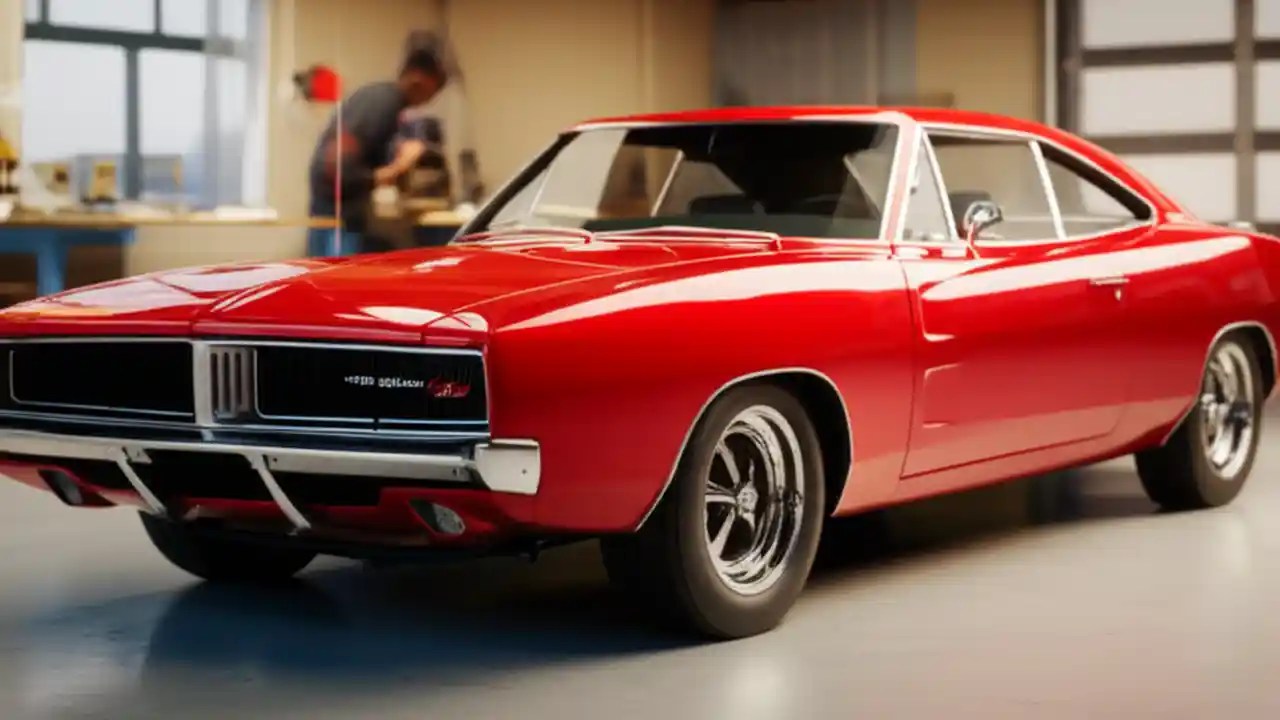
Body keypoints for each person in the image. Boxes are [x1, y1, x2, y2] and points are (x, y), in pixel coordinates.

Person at [306, 50, 446, 256]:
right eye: (431, 94)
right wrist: (401, 165)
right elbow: (341, 169)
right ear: (420, 82)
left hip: (331, 205)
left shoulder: (378, 98)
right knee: (337, 278)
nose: (426, 102)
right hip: (338, 212)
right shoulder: (384, 104)